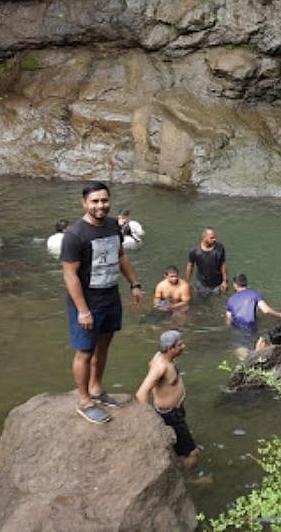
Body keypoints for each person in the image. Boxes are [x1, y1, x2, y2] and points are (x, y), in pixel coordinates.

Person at [61, 182, 144, 424]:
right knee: (84, 351)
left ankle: (97, 389)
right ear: (84, 203)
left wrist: (134, 284)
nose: (100, 205)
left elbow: (120, 256)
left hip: (110, 295)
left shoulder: (111, 226)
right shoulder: (76, 235)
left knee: (104, 346)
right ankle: (84, 400)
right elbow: (70, 275)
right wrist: (83, 310)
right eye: (95, 201)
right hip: (88, 302)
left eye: (104, 200)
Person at [135, 330, 198, 469]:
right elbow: (141, 394)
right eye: (180, 345)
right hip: (170, 414)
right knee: (192, 453)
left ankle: (177, 459)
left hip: (176, 410)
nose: (184, 346)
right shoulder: (161, 367)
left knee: (179, 446)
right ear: (170, 348)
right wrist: (150, 421)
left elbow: (150, 364)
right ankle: (187, 480)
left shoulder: (161, 356)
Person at [185, 227, 227, 297]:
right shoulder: (195, 251)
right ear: (204, 237)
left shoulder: (220, 247)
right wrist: (188, 282)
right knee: (203, 302)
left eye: (215, 237)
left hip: (217, 284)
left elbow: (223, 264)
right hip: (202, 285)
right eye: (212, 238)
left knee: (217, 302)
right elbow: (190, 266)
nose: (214, 240)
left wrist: (225, 281)